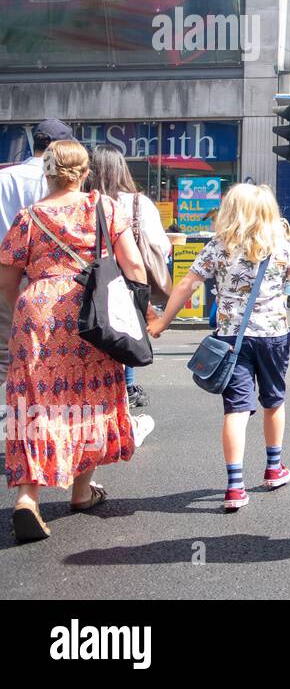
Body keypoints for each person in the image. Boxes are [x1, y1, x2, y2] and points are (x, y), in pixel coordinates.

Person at [149, 184, 290, 512]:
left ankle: (234, 487)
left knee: (235, 410)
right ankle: (273, 468)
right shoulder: (279, 246)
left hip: (231, 340)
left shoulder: (217, 247)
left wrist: (163, 322)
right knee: (273, 401)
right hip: (273, 337)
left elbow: (187, 284)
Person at [0, 139, 149, 542]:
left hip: (38, 312)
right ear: (86, 172)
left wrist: (27, 309)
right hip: (91, 311)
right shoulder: (104, 207)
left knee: (35, 402)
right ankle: (81, 492)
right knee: (91, 396)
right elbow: (133, 264)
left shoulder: (27, 217)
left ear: (47, 173)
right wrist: (134, 307)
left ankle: (27, 498)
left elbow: (6, 279)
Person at [89, 143, 171, 416]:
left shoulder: (86, 201)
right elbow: (159, 245)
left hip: (92, 279)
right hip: (126, 279)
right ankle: (126, 391)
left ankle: (96, 394)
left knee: (94, 331)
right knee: (125, 334)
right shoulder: (138, 202)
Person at [0, 119, 74, 423]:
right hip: (48, 277)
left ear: (35, 142)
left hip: (4, 272)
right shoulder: (59, 182)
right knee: (49, 353)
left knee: (5, 353)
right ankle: (42, 420)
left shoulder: (5, 178)